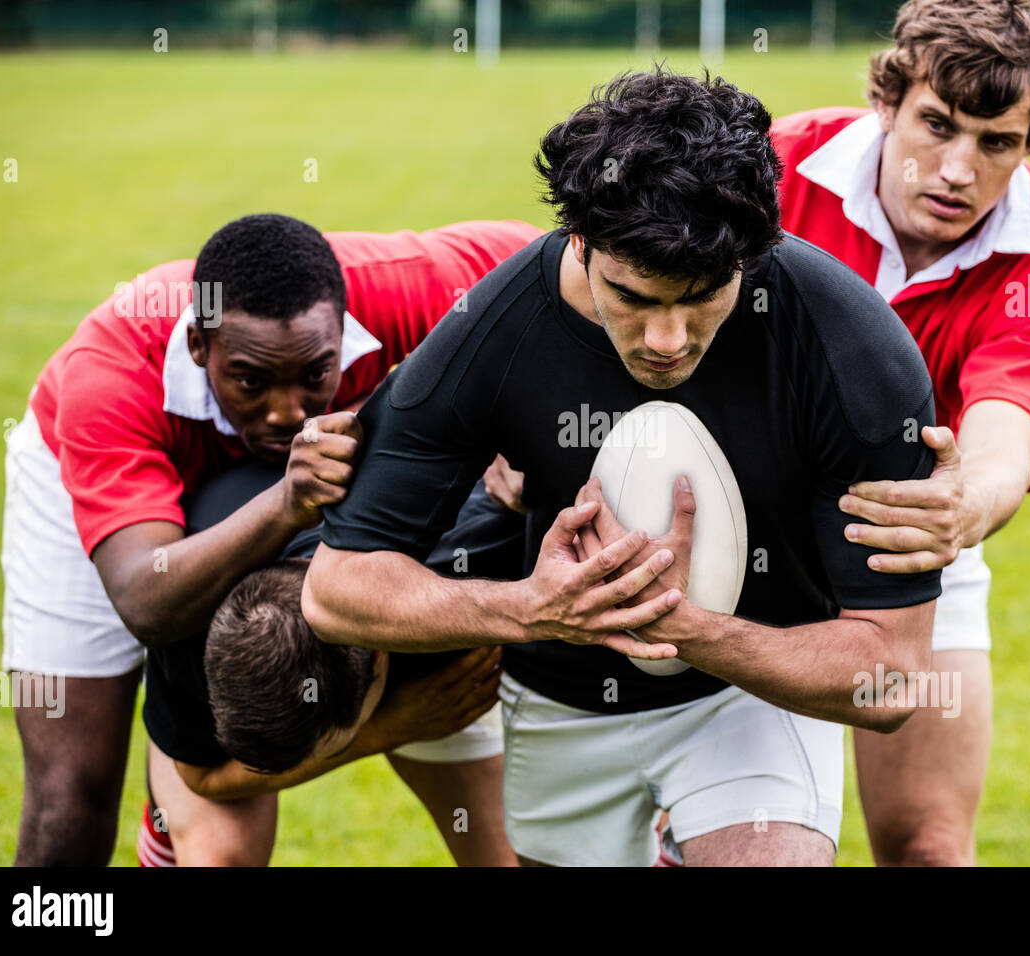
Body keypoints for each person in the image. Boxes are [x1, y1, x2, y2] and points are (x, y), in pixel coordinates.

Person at [301, 68, 943, 867]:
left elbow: (895, 673)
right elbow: (337, 588)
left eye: (702, 296)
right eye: (634, 297)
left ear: (756, 252)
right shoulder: (492, 333)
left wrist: (691, 631)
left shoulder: (855, 352)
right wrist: (535, 609)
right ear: (579, 240)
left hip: (756, 688)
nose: (668, 339)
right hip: (562, 699)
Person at [2, 212, 540, 864]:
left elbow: (565, 265)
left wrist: (523, 428)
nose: (289, 412)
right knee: (72, 797)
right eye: (252, 382)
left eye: (316, 374)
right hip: (109, 513)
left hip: (293, 506)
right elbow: (147, 599)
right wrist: (287, 503)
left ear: (344, 331)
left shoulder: (405, 285)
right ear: (199, 346)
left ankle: (175, 812)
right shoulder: (108, 375)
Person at [768, 0, 1030, 864]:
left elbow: (1007, 435)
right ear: (887, 100)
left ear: (1029, 144)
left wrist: (963, 506)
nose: (957, 168)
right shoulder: (769, 170)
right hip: (739, 529)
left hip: (914, 538)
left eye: (997, 142)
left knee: (928, 845)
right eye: (936, 125)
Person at [140, 459, 525, 866]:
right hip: (227, 518)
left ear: (378, 656)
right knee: (217, 856)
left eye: (331, 747)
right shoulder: (183, 615)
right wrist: (387, 729)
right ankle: (163, 836)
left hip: (439, 654)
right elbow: (203, 776)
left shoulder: (477, 552)